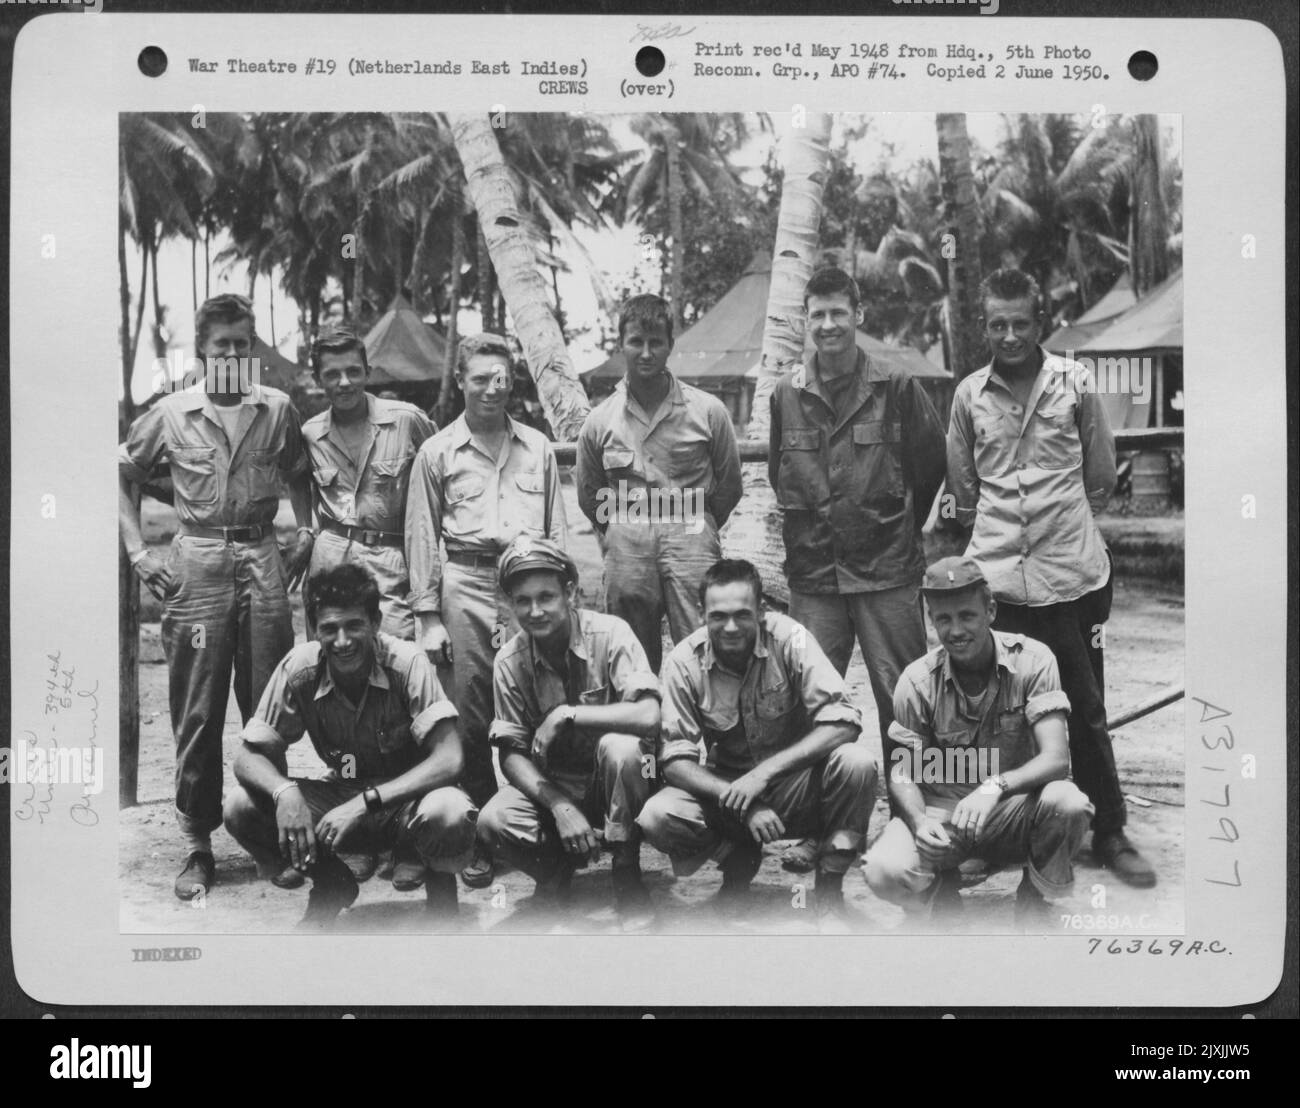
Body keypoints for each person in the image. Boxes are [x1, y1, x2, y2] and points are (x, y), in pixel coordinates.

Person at [945, 268, 1154, 888]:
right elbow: (961, 490)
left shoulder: (1076, 382)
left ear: (1040, 322)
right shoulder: (967, 396)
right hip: (999, 584)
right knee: (997, 713)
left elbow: (1100, 477)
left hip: (1070, 576)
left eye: (1021, 323)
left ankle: (1108, 830)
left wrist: (1059, 525)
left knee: (1084, 706)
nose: (1009, 335)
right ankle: (996, 833)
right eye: (997, 324)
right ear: (984, 326)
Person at [119, 293, 315, 901]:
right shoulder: (172, 413)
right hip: (197, 562)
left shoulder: (277, 409)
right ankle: (197, 844)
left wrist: (304, 532)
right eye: (220, 344)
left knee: (268, 705)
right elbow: (121, 473)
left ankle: (266, 837)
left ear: (251, 348)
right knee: (198, 709)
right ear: (201, 351)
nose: (231, 353)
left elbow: (301, 474)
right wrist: (138, 553)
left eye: (241, 343)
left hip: (262, 558)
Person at [768, 267, 945, 873]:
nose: (828, 325)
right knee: (813, 709)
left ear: (859, 314)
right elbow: (776, 473)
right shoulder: (785, 393)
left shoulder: (896, 384)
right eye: (817, 314)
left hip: (888, 571)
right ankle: (823, 830)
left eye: (838, 312)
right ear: (805, 321)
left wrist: (889, 522)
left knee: (907, 703)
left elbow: (928, 466)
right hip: (815, 574)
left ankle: (908, 826)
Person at [223, 564, 477, 929]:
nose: (342, 641)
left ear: (375, 622)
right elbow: (247, 757)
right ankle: (330, 883)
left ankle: (441, 894)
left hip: (407, 803)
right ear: (314, 630)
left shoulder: (407, 663)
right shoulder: (300, 668)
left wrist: (366, 802)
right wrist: (285, 792)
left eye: (353, 625)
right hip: (339, 797)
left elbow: (450, 758)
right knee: (240, 806)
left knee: (448, 810)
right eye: (329, 629)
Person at [405, 334, 568, 890]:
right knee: (469, 713)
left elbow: (557, 528)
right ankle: (477, 834)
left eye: (501, 377)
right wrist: (427, 616)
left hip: (527, 585)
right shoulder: (438, 452)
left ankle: (538, 826)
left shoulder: (538, 448)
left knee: (539, 696)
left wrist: (561, 593)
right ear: (461, 382)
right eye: (480, 378)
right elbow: (423, 535)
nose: (492, 388)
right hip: (466, 581)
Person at [636, 559, 875, 930]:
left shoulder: (791, 638)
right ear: (701, 614)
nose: (730, 627)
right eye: (718, 616)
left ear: (762, 611)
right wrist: (743, 803)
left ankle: (829, 892)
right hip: (728, 793)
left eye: (742, 614)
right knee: (659, 814)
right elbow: (674, 759)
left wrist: (764, 775)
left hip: (794, 782)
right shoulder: (684, 660)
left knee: (856, 763)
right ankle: (736, 858)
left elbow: (843, 722)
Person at [863, 557, 1094, 929]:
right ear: (930, 621)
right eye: (943, 619)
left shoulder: (1034, 661)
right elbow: (903, 773)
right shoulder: (917, 682)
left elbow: (1056, 759)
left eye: (967, 616)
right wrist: (921, 822)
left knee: (1067, 804)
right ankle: (941, 888)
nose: (955, 630)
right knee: (883, 869)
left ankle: (1034, 897)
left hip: (1011, 809)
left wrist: (994, 786)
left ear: (990, 611)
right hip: (944, 815)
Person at [477, 537, 662, 930]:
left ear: (571, 593)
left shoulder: (611, 633)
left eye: (546, 596)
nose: (535, 610)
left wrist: (569, 714)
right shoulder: (509, 661)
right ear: (510, 605)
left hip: (618, 782)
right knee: (493, 819)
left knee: (623, 748)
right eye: (522, 601)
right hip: (556, 784)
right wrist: (559, 805)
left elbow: (648, 715)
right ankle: (555, 871)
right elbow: (510, 754)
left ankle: (626, 868)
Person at [577, 294, 743, 673]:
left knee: (703, 640)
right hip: (627, 537)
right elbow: (590, 493)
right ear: (621, 345)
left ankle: (707, 727)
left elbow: (729, 484)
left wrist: (700, 521)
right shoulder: (601, 421)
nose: (647, 353)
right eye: (636, 341)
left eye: (657, 342)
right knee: (628, 648)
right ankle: (641, 727)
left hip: (691, 531)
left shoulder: (707, 411)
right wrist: (617, 530)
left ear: (671, 344)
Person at [303, 325, 436, 642]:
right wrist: (304, 531)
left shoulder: (406, 420)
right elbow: (297, 481)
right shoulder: (310, 433)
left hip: (387, 557)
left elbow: (440, 471)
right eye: (333, 374)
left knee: (394, 650)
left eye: (353, 371)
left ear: (368, 372)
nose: (345, 382)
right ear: (318, 379)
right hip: (330, 556)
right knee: (330, 650)